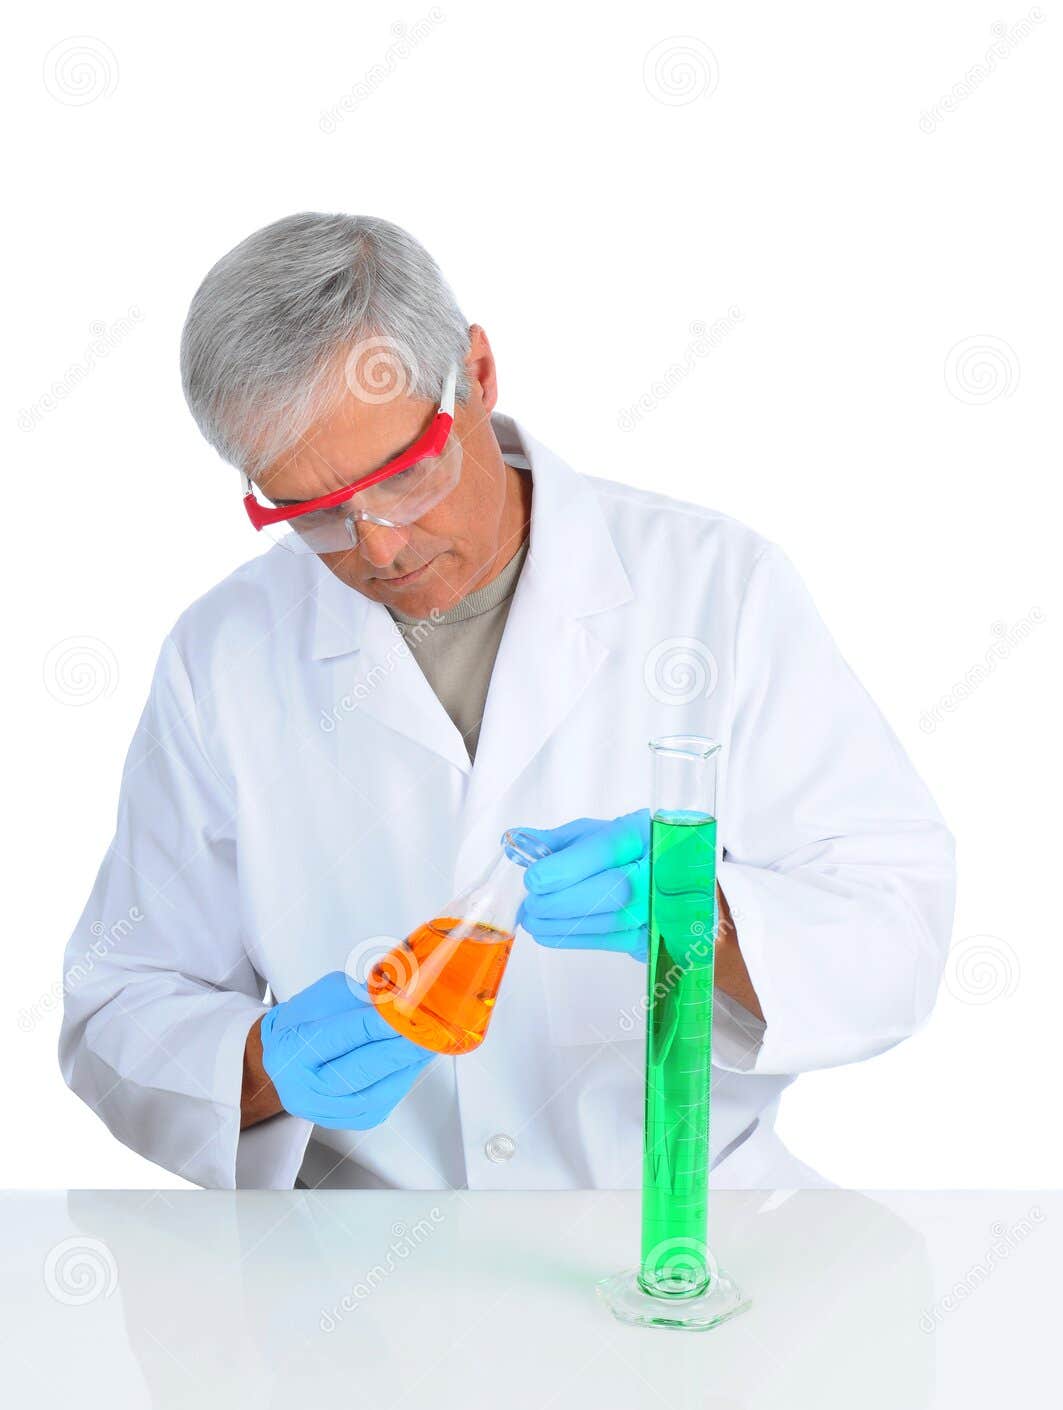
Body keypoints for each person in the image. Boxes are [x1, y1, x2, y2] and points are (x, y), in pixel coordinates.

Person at [59, 213, 955, 1191]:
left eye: (403, 475)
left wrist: (702, 918)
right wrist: (264, 1064)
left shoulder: (715, 586)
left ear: (477, 375)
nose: (379, 546)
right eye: (311, 511)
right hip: (360, 1258)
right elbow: (121, 1000)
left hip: (680, 1228)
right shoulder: (224, 653)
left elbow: (894, 933)